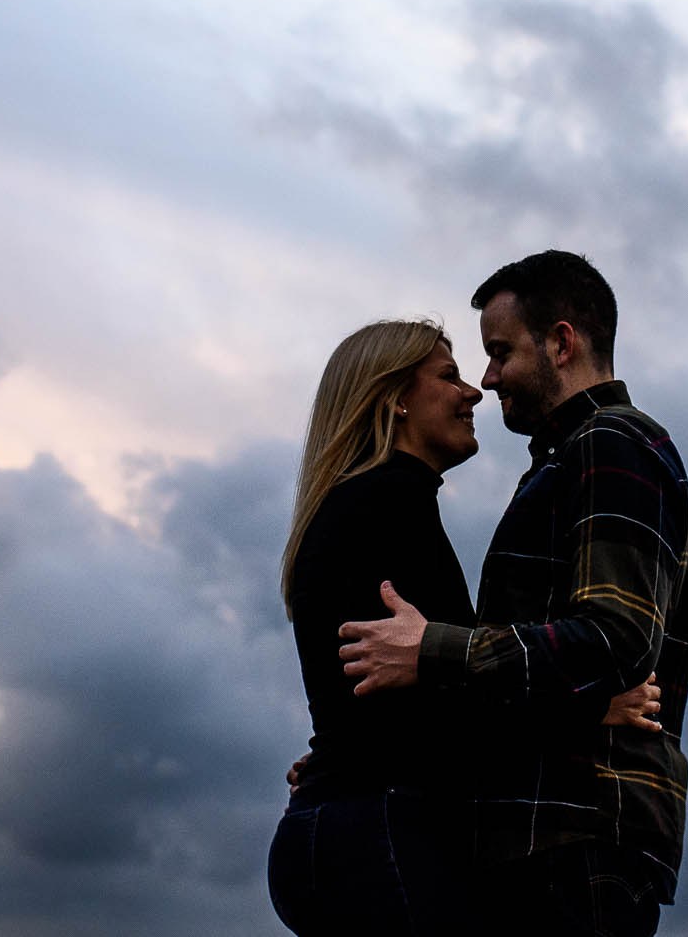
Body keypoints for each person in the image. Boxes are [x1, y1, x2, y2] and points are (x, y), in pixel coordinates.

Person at [337, 252, 688, 937]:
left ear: (562, 342)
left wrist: (432, 649)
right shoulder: (568, 460)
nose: (488, 376)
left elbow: (617, 640)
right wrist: (350, 756)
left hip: (574, 833)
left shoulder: (614, 443)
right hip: (541, 834)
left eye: (500, 351)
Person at [268, 318, 662, 936]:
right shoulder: (388, 503)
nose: (473, 391)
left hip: (344, 826)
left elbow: (396, 700)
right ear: (393, 396)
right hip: (385, 830)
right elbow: (446, 701)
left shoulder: (360, 504)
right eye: (449, 377)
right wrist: (590, 705)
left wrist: (332, 762)